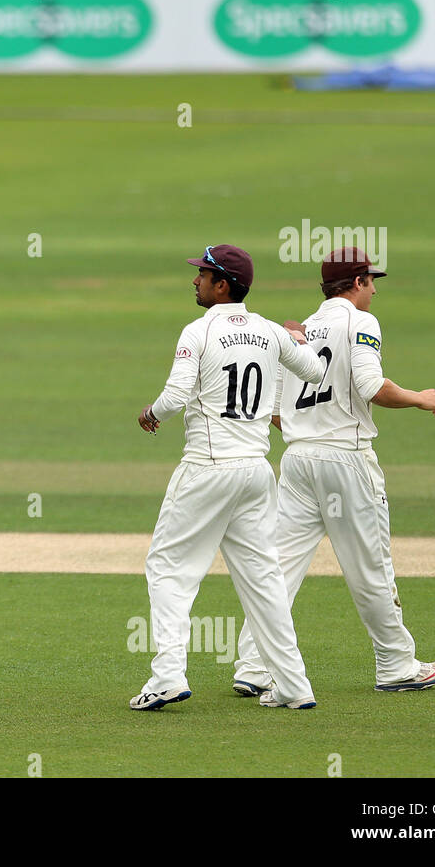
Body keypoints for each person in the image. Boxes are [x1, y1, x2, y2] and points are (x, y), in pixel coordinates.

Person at [233, 247, 435, 695]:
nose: (375, 289)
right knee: (371, 568)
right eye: (371, 281)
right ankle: (396, 665)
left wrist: (306, 427)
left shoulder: (300, 332)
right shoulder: (360, 322)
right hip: (346, 460)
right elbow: (371, 386)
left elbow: (274, 412)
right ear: (356, 284)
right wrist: (418, 397)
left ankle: (253, 667)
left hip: (296, 462)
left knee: (277, 568)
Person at [132, 244, 325, 711]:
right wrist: (296, 339)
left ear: (223, 284)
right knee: (264, 579)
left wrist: (150, 414)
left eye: (201, 274)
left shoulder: (198, 331)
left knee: (168, 568)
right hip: (257, 472)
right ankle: (295, 687)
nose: (194, 281)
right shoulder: (269, 332)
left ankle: (167, 676)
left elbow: (176, 395)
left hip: (207, 467)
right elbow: (316, 371)